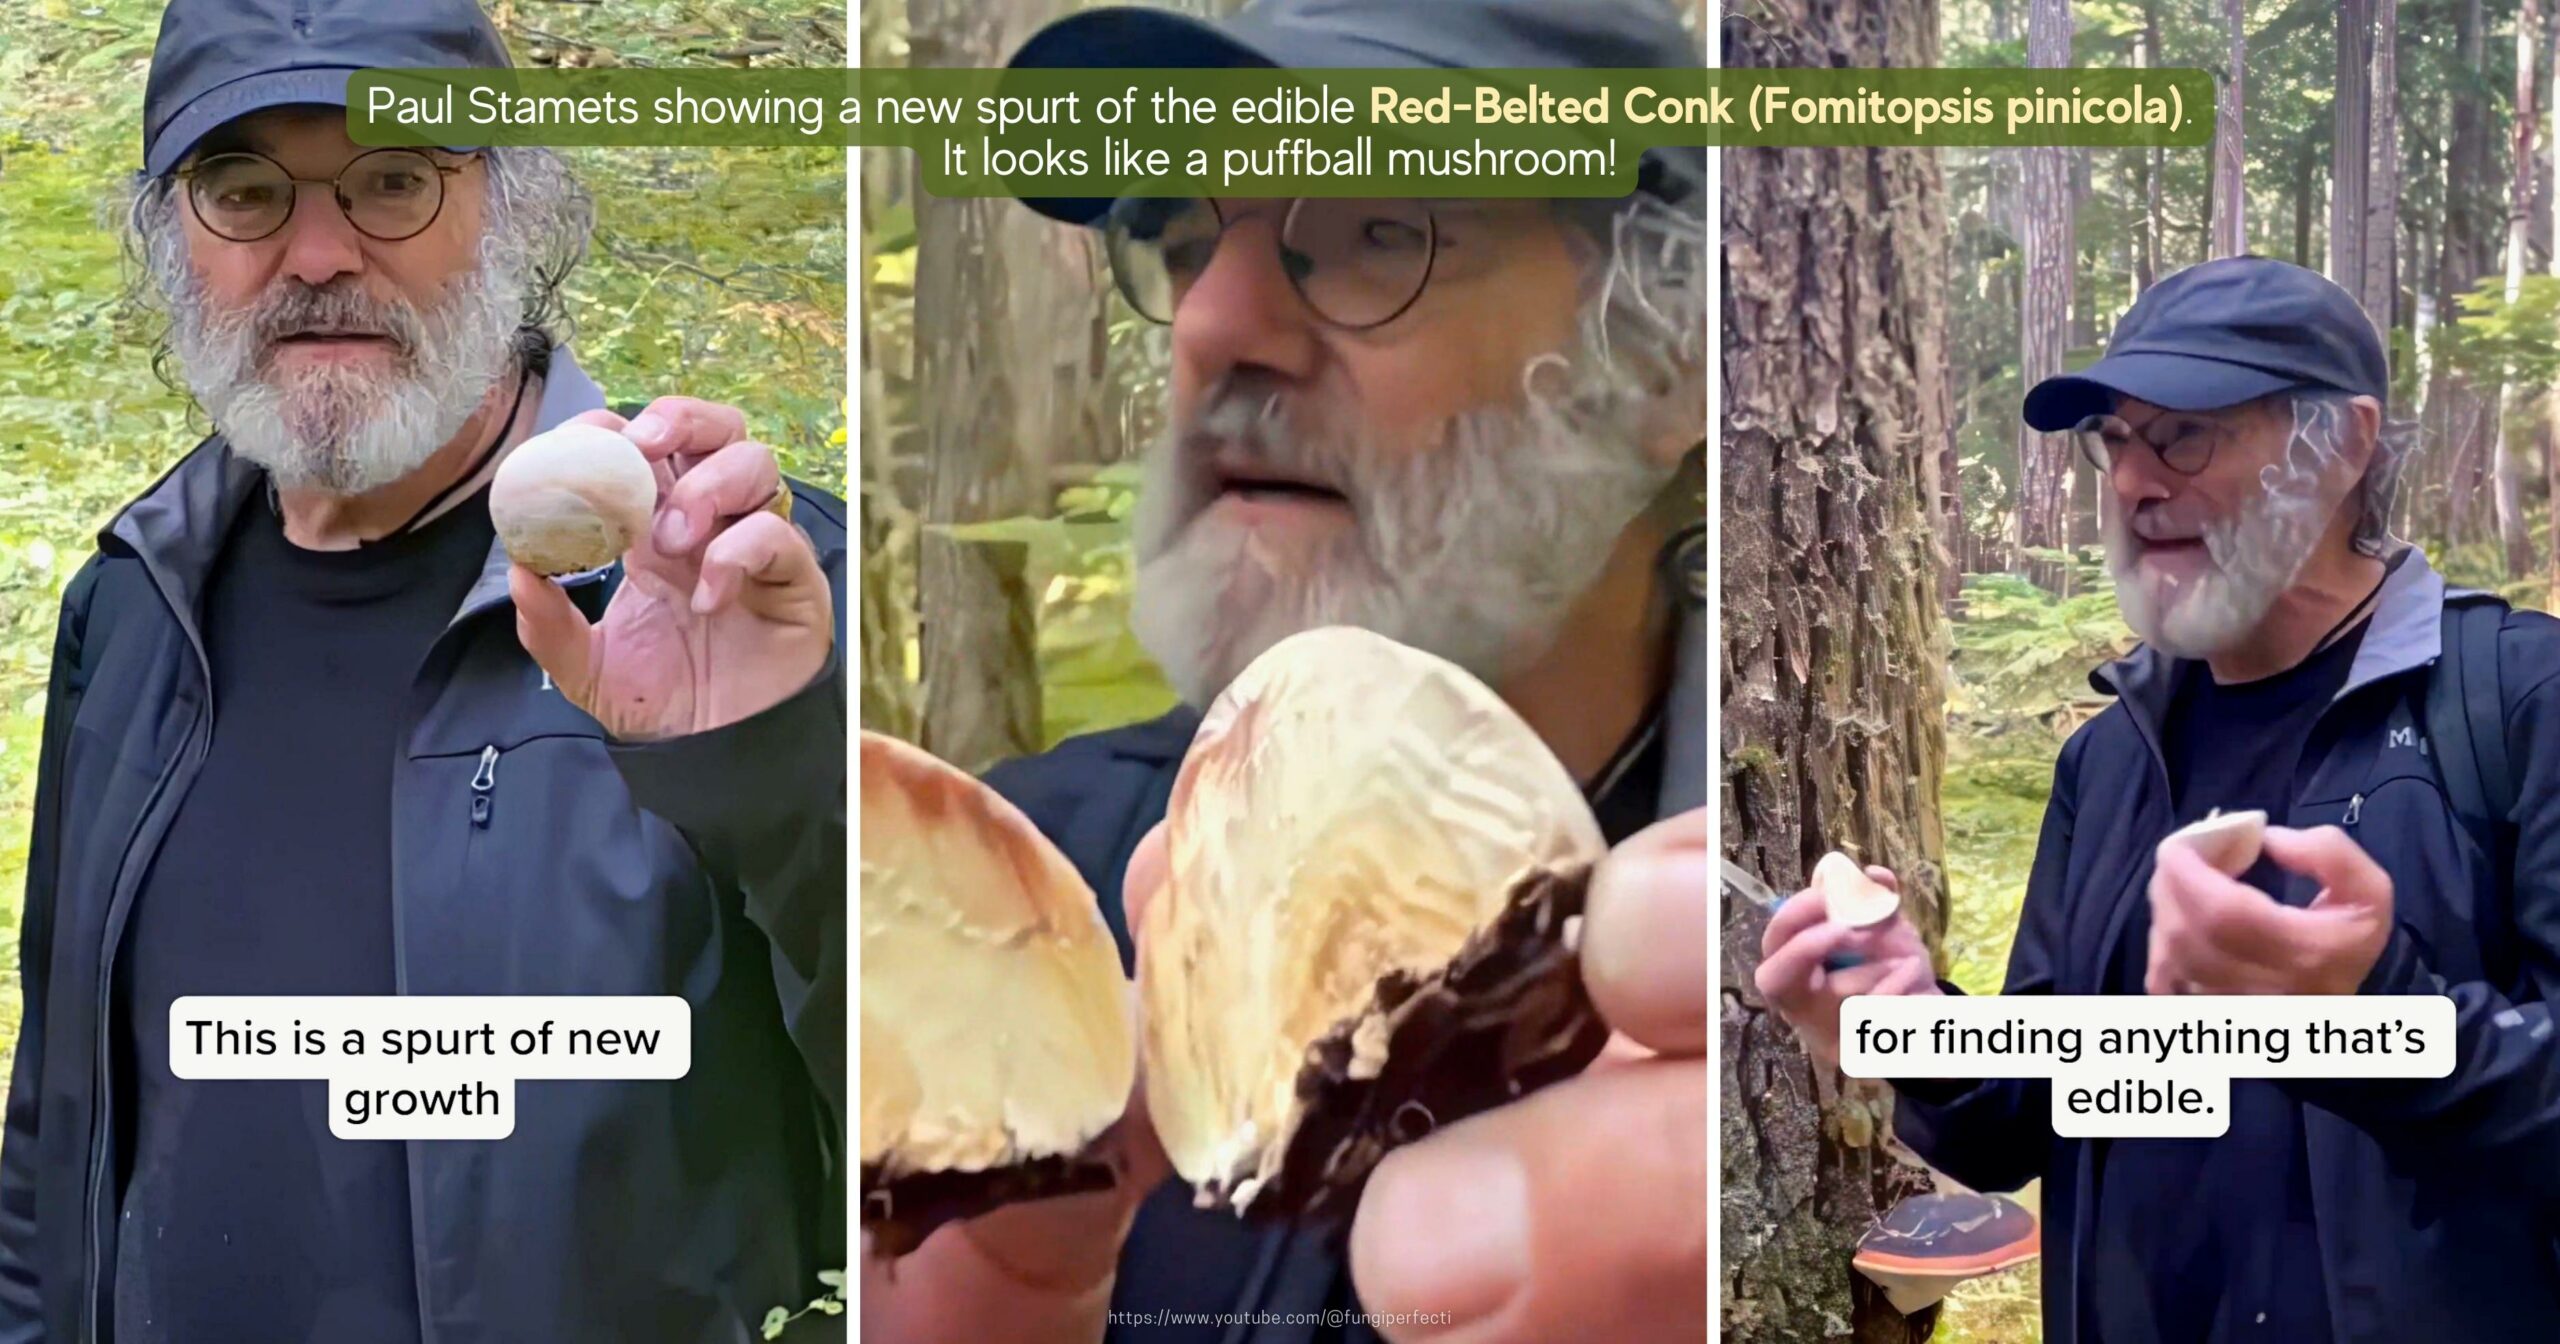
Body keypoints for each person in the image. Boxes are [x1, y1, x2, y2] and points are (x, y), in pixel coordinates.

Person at [859, 3, 1709, 1343]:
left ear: (1667, 353)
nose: (1214, 323)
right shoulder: (1022, 914)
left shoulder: (1784, 961)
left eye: (1378, 230)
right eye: (1189, 243)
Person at [1, 3, 848, 1341]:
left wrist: (775, 768)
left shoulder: (757, 600)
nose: (321, 254)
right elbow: (58, 1141)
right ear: (174, 236)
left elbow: (954, 1143)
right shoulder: (132, 610)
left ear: (509, 204)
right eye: (244, 190)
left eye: (394, 179)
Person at [1757, 256, 2560, 1343]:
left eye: (2184, 434)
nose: (2134, 483)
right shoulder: (2113, 760)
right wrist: (1909, 1027)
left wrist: (2370, 1018)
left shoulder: (2516, 704)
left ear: (2341, 445)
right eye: (2115, 442)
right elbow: (2045, 1106)